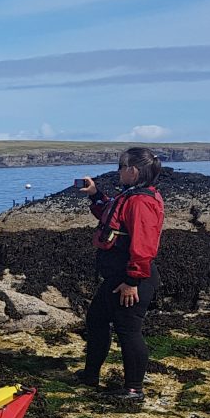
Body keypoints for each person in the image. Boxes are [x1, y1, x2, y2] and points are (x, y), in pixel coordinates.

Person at [75, 147, 163, 401]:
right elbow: (109, 216)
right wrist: (94, 195)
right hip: (116, 278)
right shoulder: (129, 196)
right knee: (96, 320)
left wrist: (132, 281)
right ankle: (90, 375)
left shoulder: (142, 201)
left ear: (133, 171)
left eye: (121, 167)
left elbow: (144, 245)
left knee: (128, 330)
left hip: (131, 280)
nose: (118, 171)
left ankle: (134, 389)